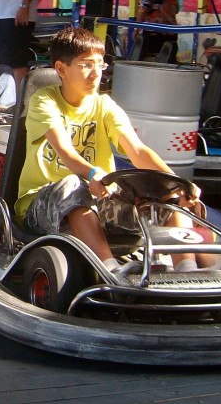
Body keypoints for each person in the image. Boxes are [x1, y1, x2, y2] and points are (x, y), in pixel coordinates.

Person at [16, 26, 208, 275]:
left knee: (167, 192)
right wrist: (93, 173)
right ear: (61, 69)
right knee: (74, 184)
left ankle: (188, 270)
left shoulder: (105, 105)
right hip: (40, 204)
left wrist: (177, 183)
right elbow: (65, 151)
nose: (95, 74)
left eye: (100, 64)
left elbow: (137, 150)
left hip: (99, 199)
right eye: (86, 65)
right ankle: (110, 270)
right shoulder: (44, 101)